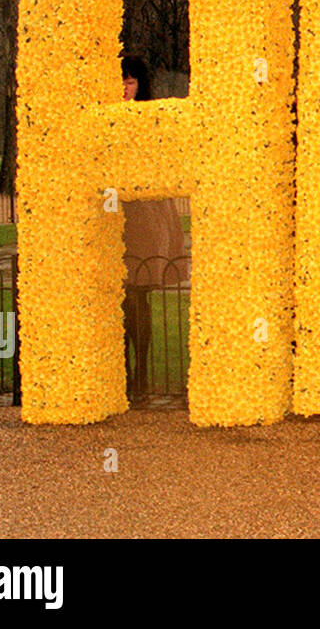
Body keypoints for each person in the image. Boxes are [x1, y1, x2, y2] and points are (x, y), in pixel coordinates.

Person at [120, 54, 188, 397]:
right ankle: (125, 368)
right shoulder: (112, 118)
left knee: (138, 295)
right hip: (119, 213)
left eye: (130, 82)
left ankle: (141, 367)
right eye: (122, 82)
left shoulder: (150, 119)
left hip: (144, 215)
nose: (125, 89)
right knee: (121, 301)